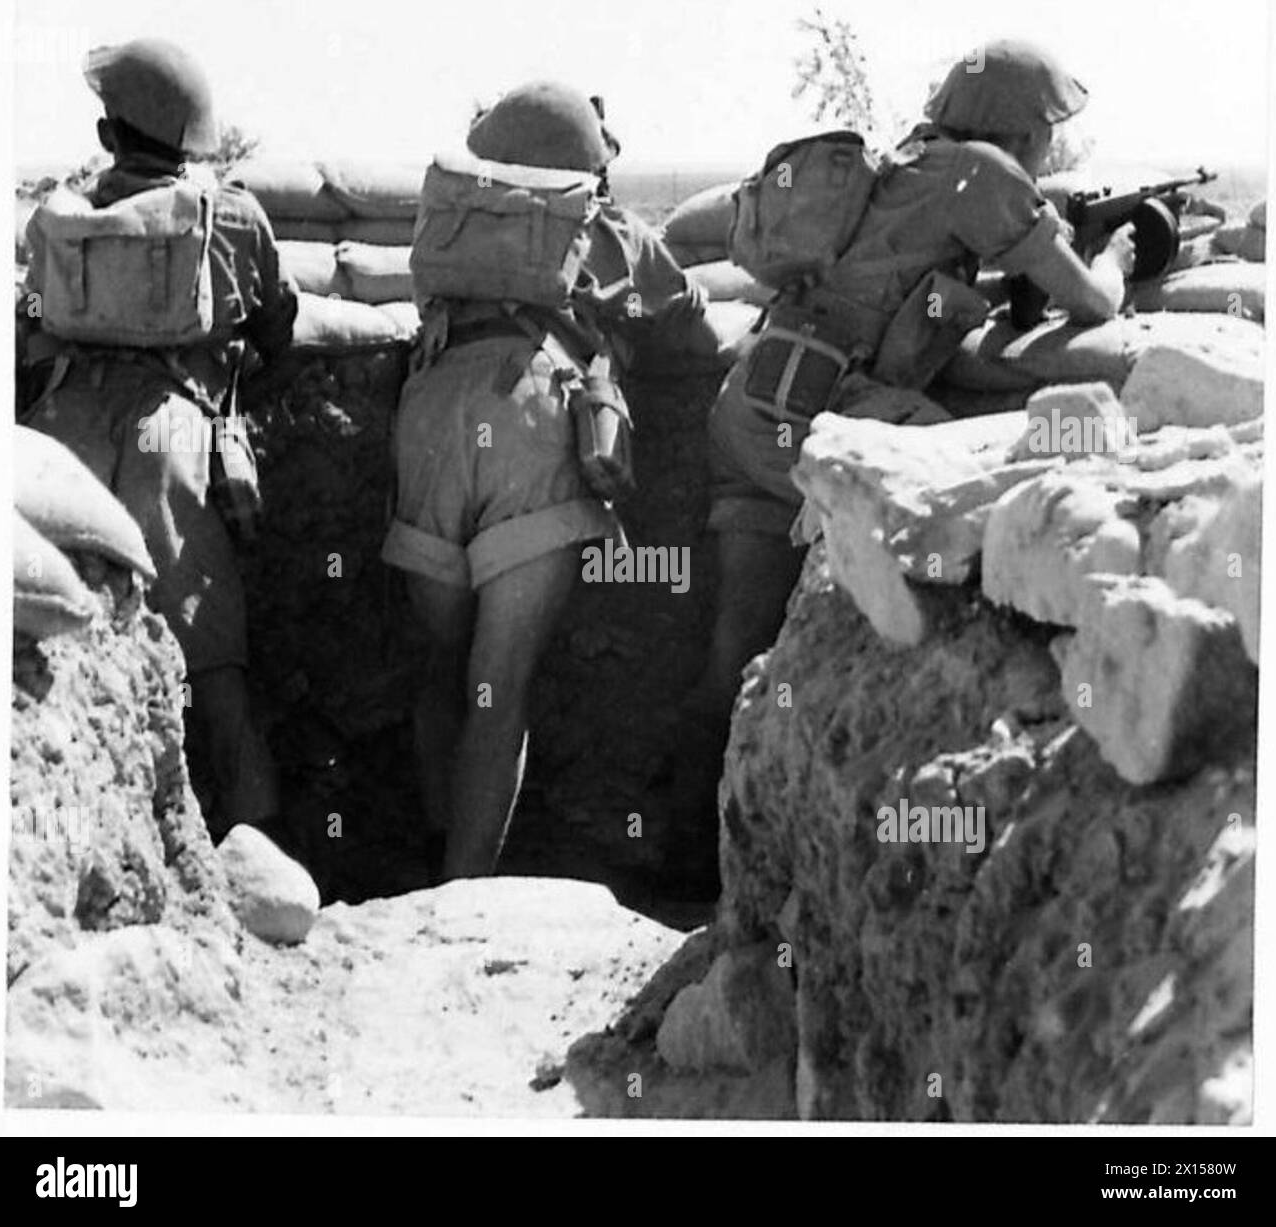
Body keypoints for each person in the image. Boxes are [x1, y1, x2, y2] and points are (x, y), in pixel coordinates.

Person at [670, 40, 1138, 870]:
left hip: (753, 407)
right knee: (968, 507)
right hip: (824, 415)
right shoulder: (985, 174)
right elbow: (1091, 302)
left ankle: (679, 854)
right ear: (1026, 130)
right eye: (1046, 132)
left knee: (732, 644)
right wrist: (1118, 256)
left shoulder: (907, 165)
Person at [382, 81, 713, 880]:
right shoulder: (610, 230)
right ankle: (461, 892)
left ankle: (426, 863)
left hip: (431, 407)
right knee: (497, 686)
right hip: (531, 414)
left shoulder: (453, 218)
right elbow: (697, 335)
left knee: (441, 668)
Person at [19, 38, 298, 838]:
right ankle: (261, 858)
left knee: (55, 660)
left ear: (107, 135)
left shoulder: (62, 223)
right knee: (214, 668)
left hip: (62, 439)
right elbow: (276, 327)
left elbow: (28, 328)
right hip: (167, 439)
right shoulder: (232, 215)